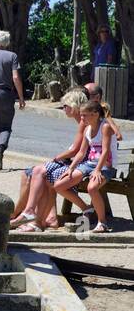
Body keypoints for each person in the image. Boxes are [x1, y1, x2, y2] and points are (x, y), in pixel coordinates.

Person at [12, 88, 91, 231]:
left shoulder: (84, 122)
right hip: (78, 163)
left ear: (74, 106)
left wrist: (55, 158)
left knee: (40, 172)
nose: (63, 109)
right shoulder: (83, 121)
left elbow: (75, 150)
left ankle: (29, 215)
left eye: (65, 106)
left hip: (81, 166)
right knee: (34, 173)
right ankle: (38, 217)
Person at [55, 99, 119, 233]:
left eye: (84, 115)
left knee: (92, 188)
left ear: (95, 114)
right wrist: (71, 168)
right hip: (88, 165)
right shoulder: (87, 130)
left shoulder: (105, 127)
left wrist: (97, 170)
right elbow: (81, 152)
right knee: (59, 185)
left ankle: (102, 222)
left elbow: (106, 151)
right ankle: (87, 209)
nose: (81, 117)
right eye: (81, 114)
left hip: (105, 166)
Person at [0, 30, 26, 170]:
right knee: (5, 126)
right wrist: (20, 97)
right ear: (7, 43)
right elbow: (15, 77)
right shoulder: (12, 56)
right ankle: (0, 149)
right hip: (6, 94)